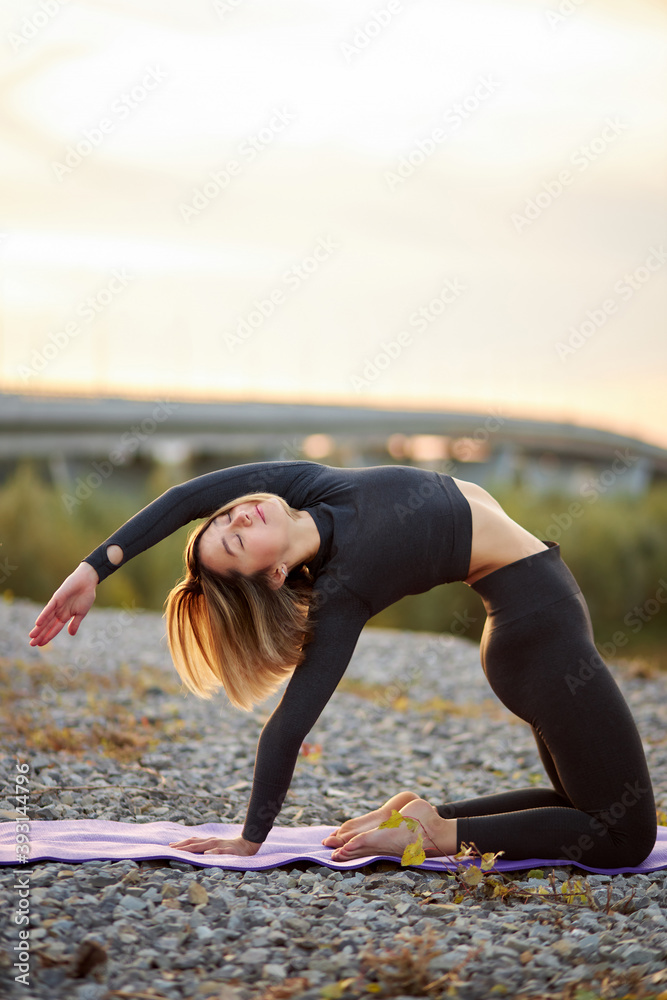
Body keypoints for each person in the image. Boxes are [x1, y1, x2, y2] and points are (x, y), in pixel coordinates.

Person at [28, 459, 656, 868]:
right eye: (237, 540)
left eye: (229, 520)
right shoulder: (345, 589)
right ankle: (434, 836)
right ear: (274, 575)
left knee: (580, 802)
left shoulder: (314, 489)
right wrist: (251, 839)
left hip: (538, 631)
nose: (239, 515)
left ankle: (420, 815)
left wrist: (93, 567)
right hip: (542, 644)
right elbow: (288, 724)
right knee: (628, 838)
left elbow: (187, 496)